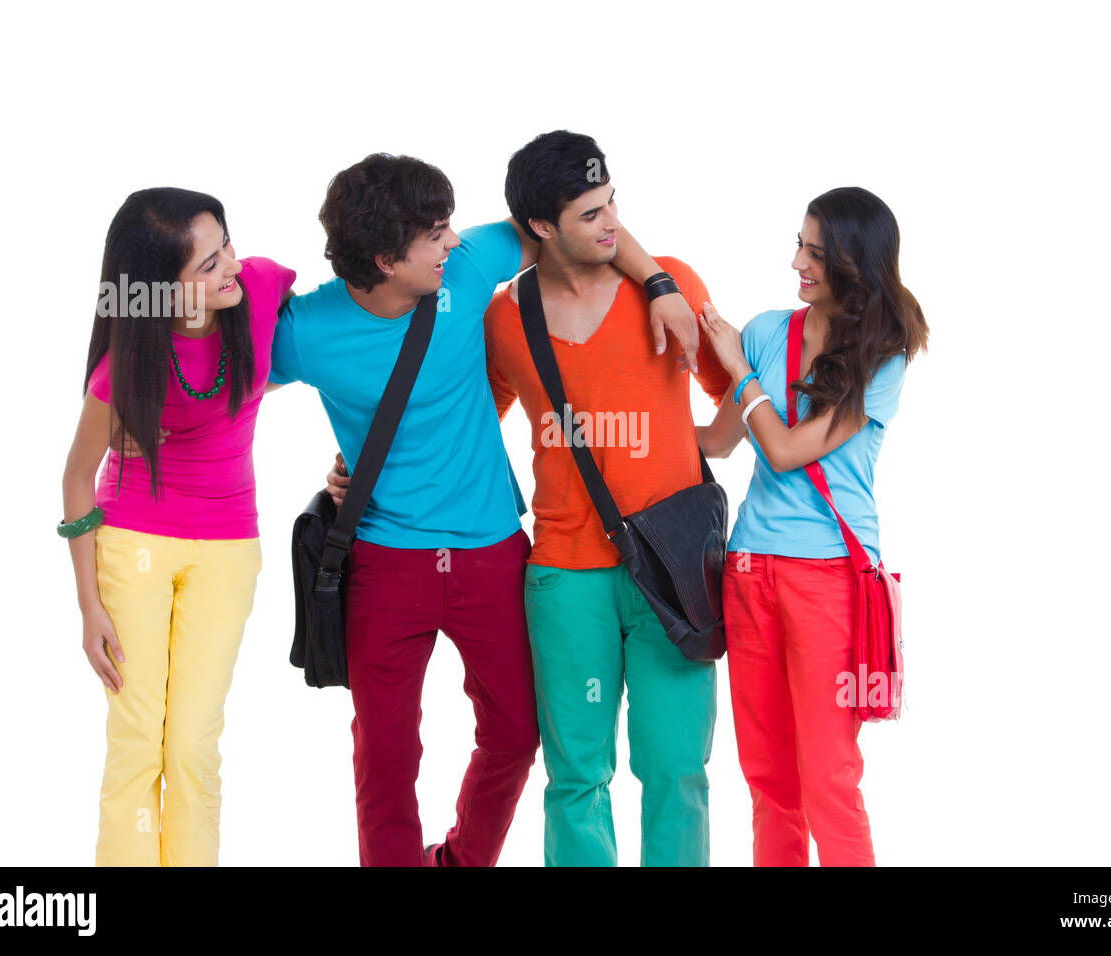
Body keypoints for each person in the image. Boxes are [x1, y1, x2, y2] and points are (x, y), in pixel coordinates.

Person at [285, 151, 701, 866]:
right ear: (387, 260)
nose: (454, 240)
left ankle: (462, 860)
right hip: (386, 563)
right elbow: (219, 374)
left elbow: (576, 220)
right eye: (435, 236)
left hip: (492, 552)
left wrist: (659, 282)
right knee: (384, 750)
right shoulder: (306, 330)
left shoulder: (472, 264)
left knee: (515, 732)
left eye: (450, 226)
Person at [484, 131, 731, 866]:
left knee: (677, 771)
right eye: (590, 214)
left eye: (613, 202)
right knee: (576, 778)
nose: (612, 224)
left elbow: (742, 396)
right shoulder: (505, 319)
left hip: (675, 568)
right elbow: (472, 426)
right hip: (566, 577)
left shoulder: (670, 283)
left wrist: (693, 443)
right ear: (539, 228)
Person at [61, 187, 295, 866]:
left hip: (228, 552)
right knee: (138, 741)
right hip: (134, 544)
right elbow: (76, 477)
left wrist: (261, 386)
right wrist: (87, 607)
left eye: (226, 245)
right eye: (206, 265)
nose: (229, 266)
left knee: (192, 744)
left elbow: (298, 338)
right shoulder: (124, 369)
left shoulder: (256, 283)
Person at [697, 186, 928, 866]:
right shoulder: (771, 329)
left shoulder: (883, 355)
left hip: (827, 578)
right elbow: (719, 441)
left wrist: (740, 373)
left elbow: (789, 448)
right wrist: (620, 436)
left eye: (815, 252)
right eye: (798, 243)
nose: (797, 261)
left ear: (855, 264)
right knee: (769, 781)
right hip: (747, 572)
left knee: (828, 777)